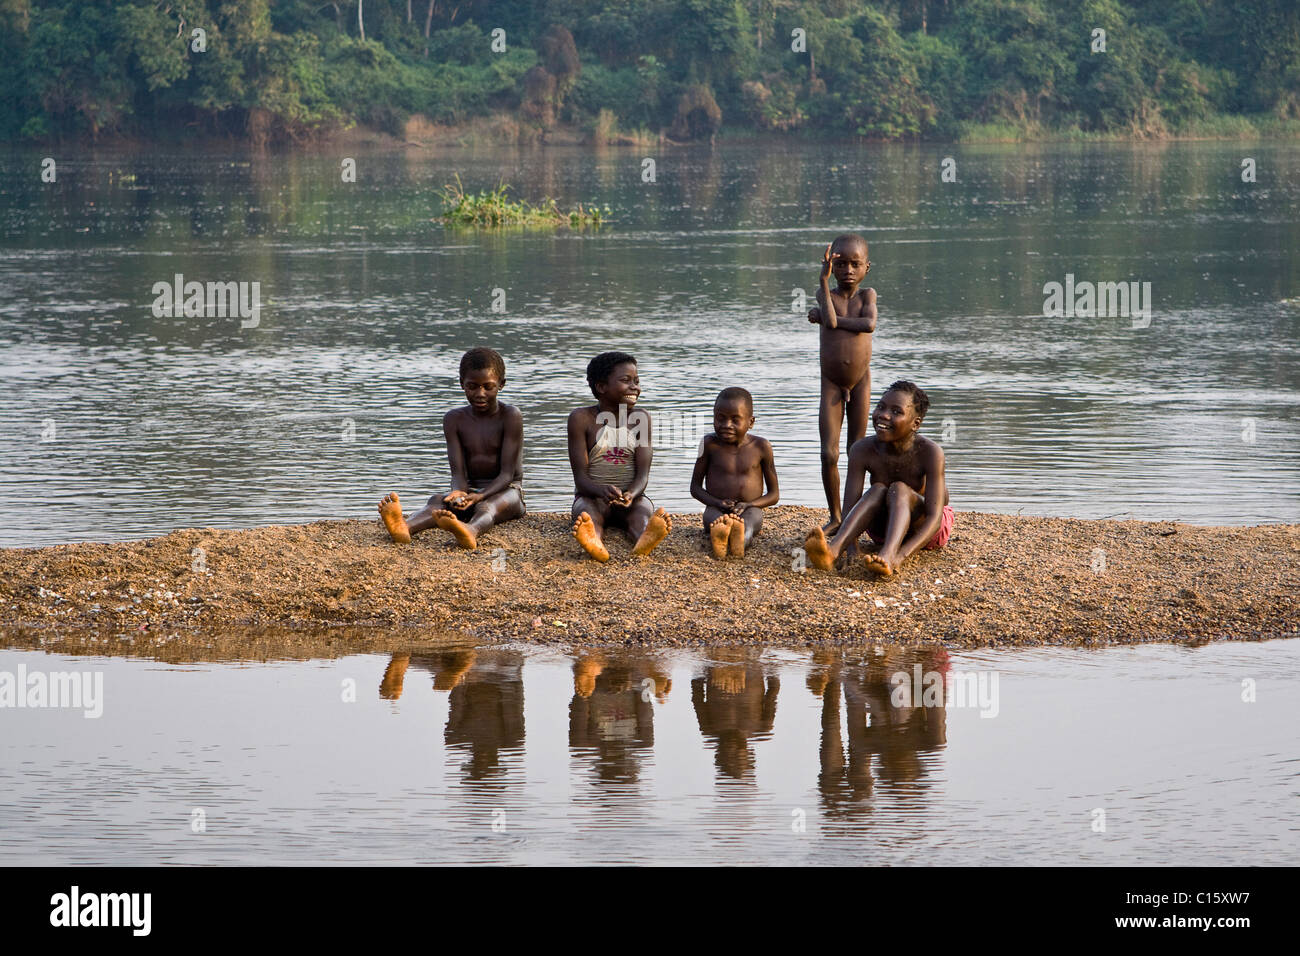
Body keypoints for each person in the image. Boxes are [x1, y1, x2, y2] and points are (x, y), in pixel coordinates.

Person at [377, 347, 524, 550]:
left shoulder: (510, 416)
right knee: (437, 501)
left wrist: (480, 496)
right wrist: (459, 492)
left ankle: (471, 531)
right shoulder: (454, 419)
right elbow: (458, 471)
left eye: (488, 387)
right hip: (470, 490)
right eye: (472, 386)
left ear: (501, 384)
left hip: (507, 492)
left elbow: (507, 474)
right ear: (461, 384)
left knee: (486, 507)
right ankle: (404, 527)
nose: (480, 394)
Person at [804, 380, 952, 577]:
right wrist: (852, 549)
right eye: (880, 407)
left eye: (896, 412)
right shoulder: (862, 450)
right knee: (878, 489)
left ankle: (889, 557)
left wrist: (900, 556)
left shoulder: (931, 453)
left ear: (915, 424)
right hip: (883, 529)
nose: (883, 415)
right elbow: (851, 505)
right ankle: (833, 550)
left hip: (925, 531)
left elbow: (935, 517)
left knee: (899, 488)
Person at [568, 351, 672, 561]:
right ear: (601, 387)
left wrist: (631, 494)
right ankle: (594, 540)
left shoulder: (641, 419)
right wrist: (600, 490)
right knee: (588, 513)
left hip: (631, 498)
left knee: (641, 512)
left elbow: (643, 475)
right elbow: (580, 478)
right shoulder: (581, 419)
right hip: (592, 496)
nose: (635, 387)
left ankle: (644, 536)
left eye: (636, 381)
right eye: (626, 381)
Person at [807, 233, 877, 532]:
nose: (848, 270)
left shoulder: (867, 296)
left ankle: (853, 515)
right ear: (831, 267)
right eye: (840, 264)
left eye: (855, 264)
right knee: (829, 453)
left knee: (856, 450)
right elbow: (833, 321)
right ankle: (835, 516)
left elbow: (868, 324)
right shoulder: (827, 295)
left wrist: (826, 317)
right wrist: (823, 282)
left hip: (860, 381)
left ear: (866, 268)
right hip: (832, 383)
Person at [689, 387, 780, 559]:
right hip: (716, 507)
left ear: (750, 422)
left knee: (749, 525)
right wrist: (718, 502)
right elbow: (695, 488)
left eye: (735, 420)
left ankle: (740, 542)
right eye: (720, 419)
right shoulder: (708, 445)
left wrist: (749, 504)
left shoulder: (761, 447)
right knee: (715, 522)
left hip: (749, 509)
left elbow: (774, 495)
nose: (726, 425)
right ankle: (721, 538)